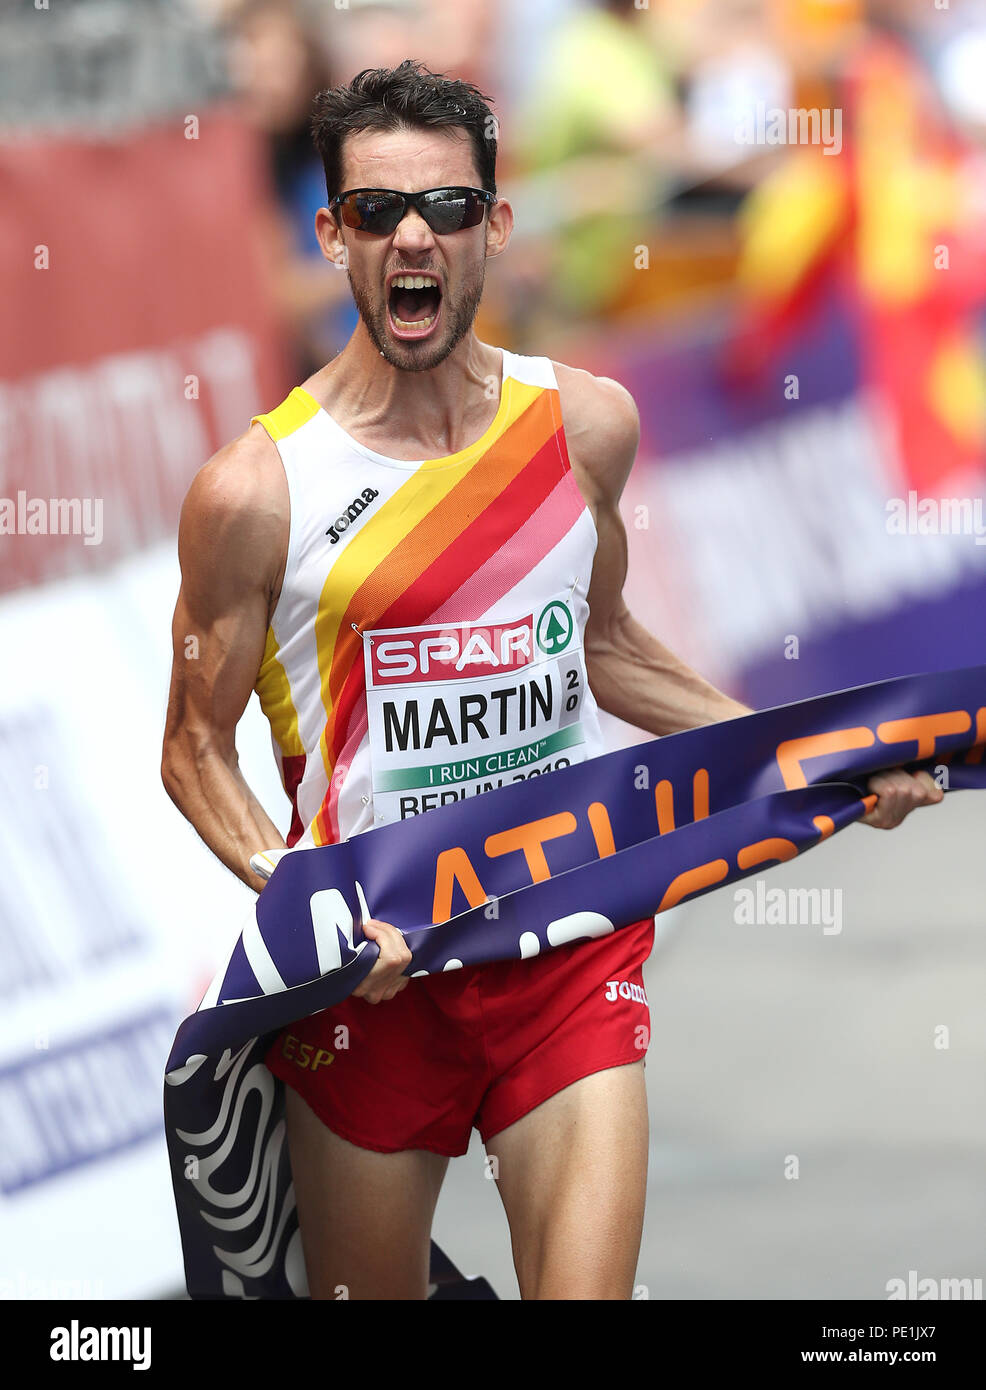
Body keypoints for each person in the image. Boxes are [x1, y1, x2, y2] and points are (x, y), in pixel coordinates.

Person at [160, 60, 944, 1301]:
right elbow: (192, 750)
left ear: (495, 225)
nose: (413, 236)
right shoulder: (257, 493)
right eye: (376, 213)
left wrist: (815, 759)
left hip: (562, 937)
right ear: (330, 237)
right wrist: (300, 901)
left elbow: (611, 644)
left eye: (449, 209)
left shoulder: (582, 427)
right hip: (376, 978)